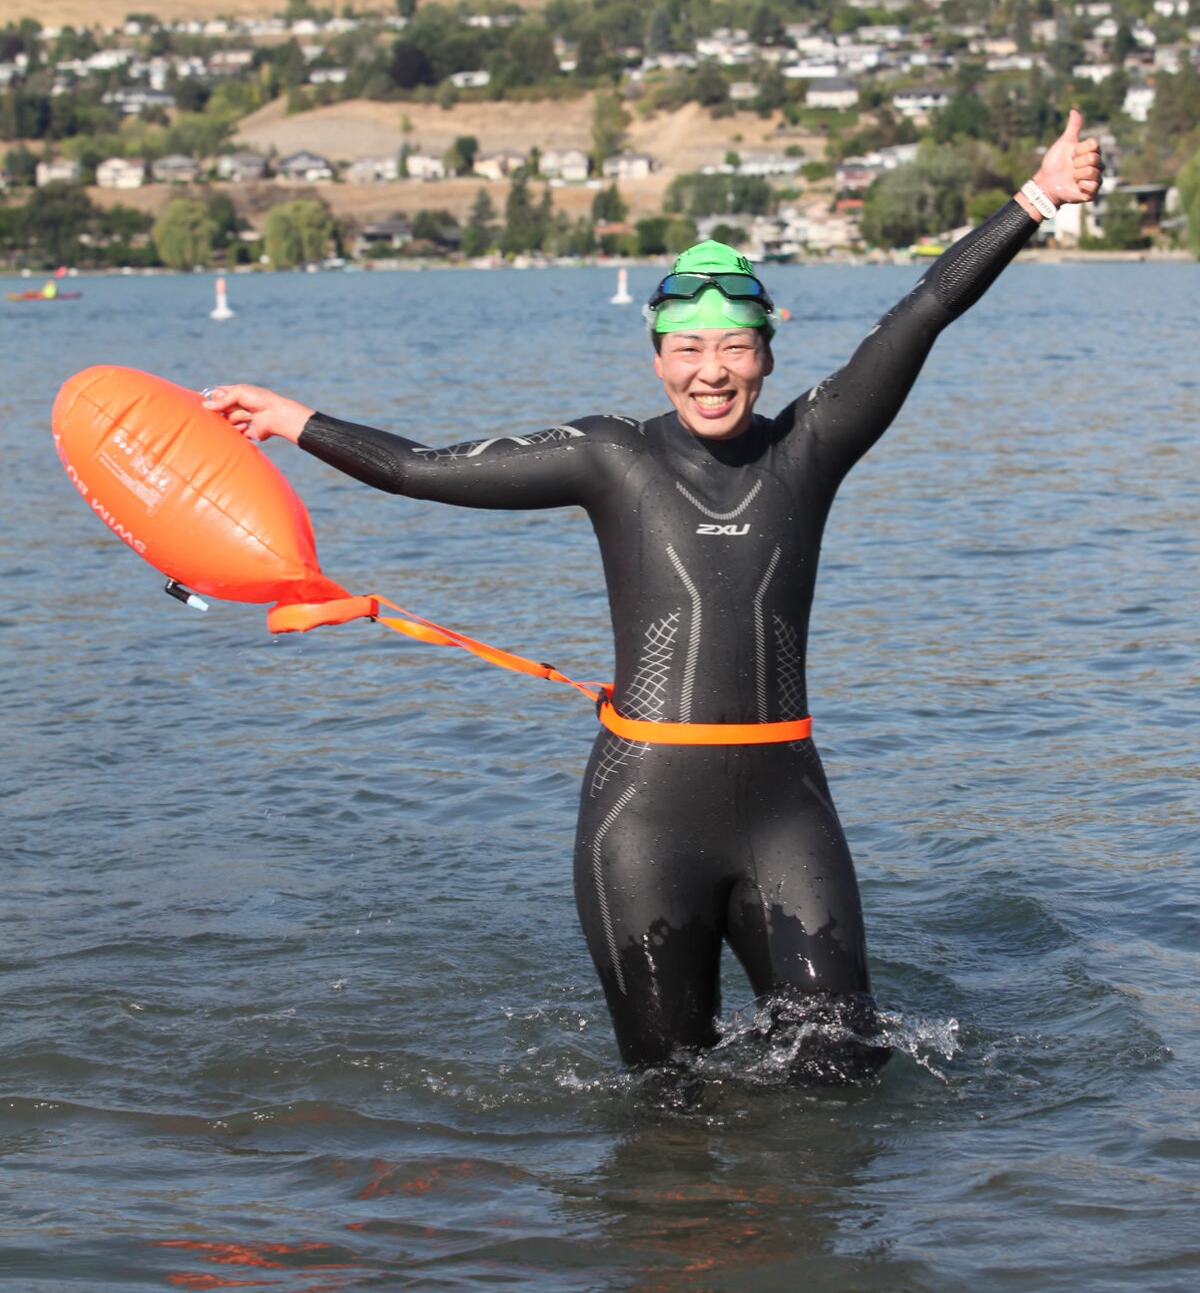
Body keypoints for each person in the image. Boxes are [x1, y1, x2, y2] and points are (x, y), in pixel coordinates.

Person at [205, 112, 1101, 1082]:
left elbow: (923, 309)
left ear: (767, 348)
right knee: (667, 1095)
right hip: (643, 816)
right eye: (686, 347)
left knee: (844, 1065)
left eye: (732, 345)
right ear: (656, 354)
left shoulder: (811, 445)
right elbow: (419, 468)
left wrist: (1038, 196)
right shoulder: (611, 455)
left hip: (785, 809)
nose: (710, 370)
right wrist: (289, 417)